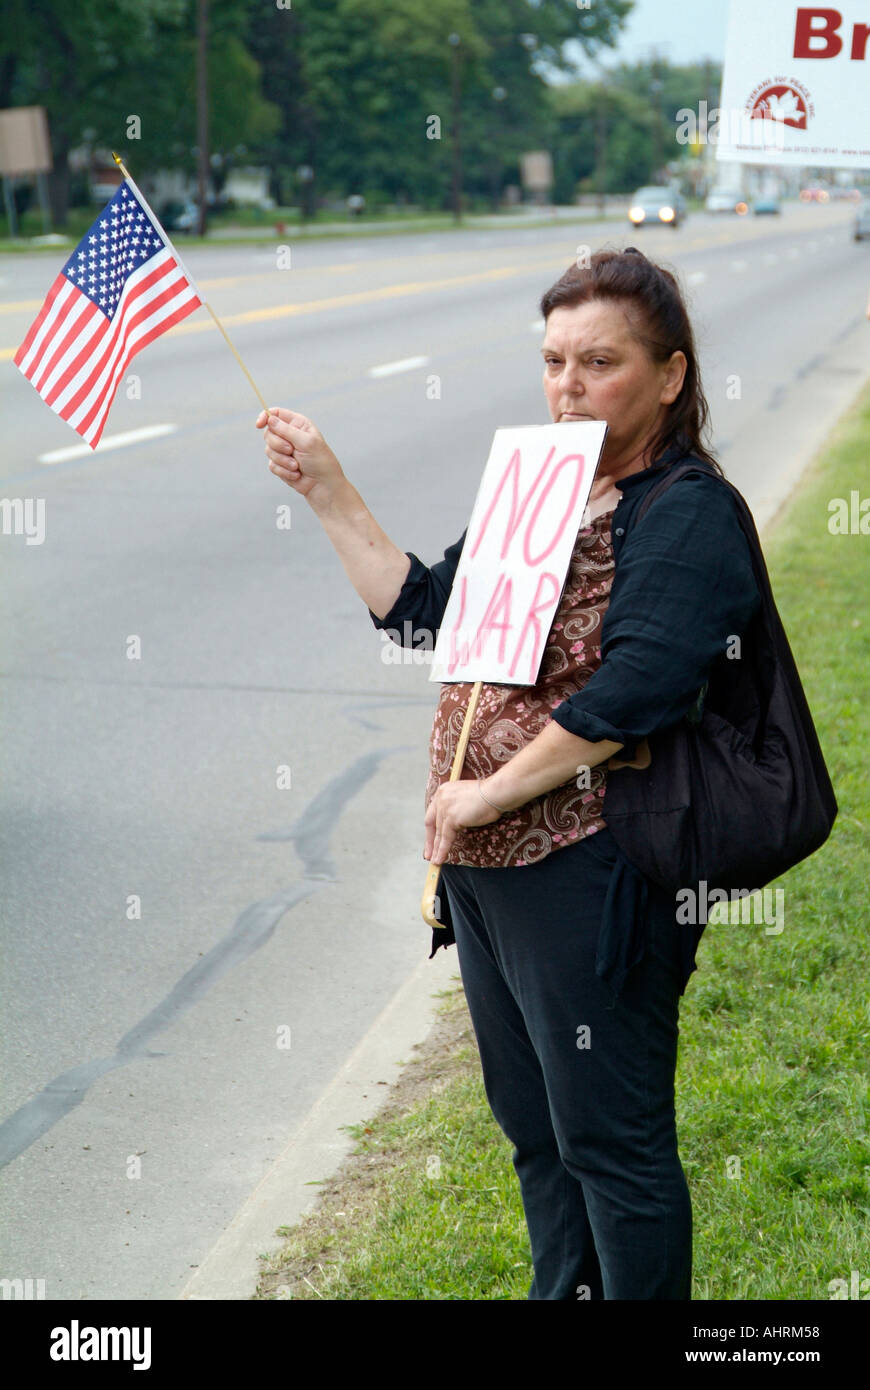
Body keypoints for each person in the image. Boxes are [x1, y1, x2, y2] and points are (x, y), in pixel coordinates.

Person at [255, 246, 761, 1300]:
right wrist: (329, 492)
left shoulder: (687, 510)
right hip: (486, 878)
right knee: (537, 1134)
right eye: (554, 360)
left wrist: (484, 791)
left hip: (593, 868)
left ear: (669, 375)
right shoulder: (542, 487)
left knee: (609, 1142)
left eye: (599, 363)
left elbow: (638, 690)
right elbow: (425, 610)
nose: (568, 386)